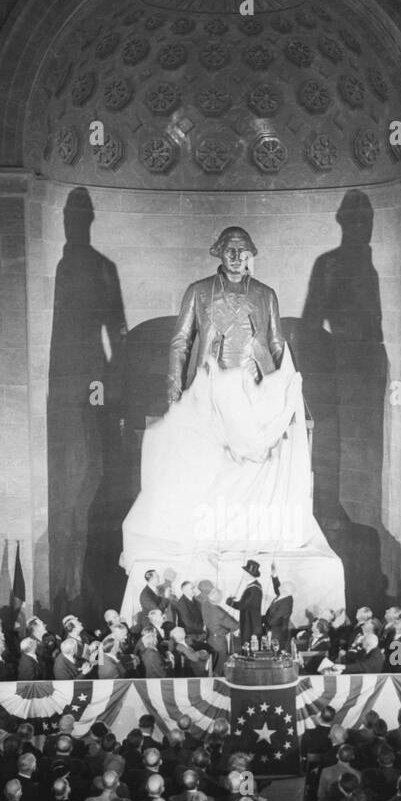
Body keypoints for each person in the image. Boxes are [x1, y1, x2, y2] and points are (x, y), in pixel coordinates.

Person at [120, 227, 337, 578]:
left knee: (252, 468)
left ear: (251, 254)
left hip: (254, 389)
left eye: (242, 250)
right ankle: (204, 532)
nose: (237, 257)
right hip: (210, 387)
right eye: (230, 250)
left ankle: (249, 532)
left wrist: (290, 394)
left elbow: (278, 343)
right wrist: (175, 392)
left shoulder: (265, 294)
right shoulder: (200, 291)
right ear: (219, 253)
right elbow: (180, 343)